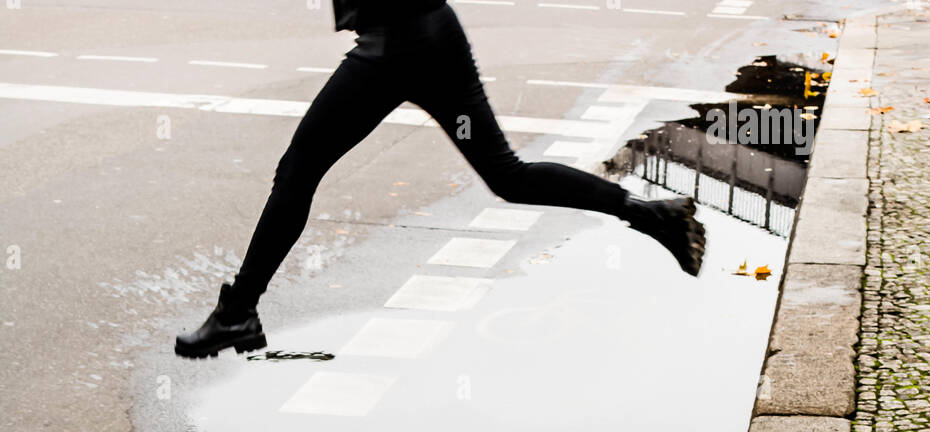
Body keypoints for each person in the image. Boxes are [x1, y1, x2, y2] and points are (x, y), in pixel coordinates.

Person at [176, 0, 705, 358]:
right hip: (432, 36)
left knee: (298, 171)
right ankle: (652, 214)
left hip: (393, 50)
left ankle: (238, 312)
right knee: (508, 176)